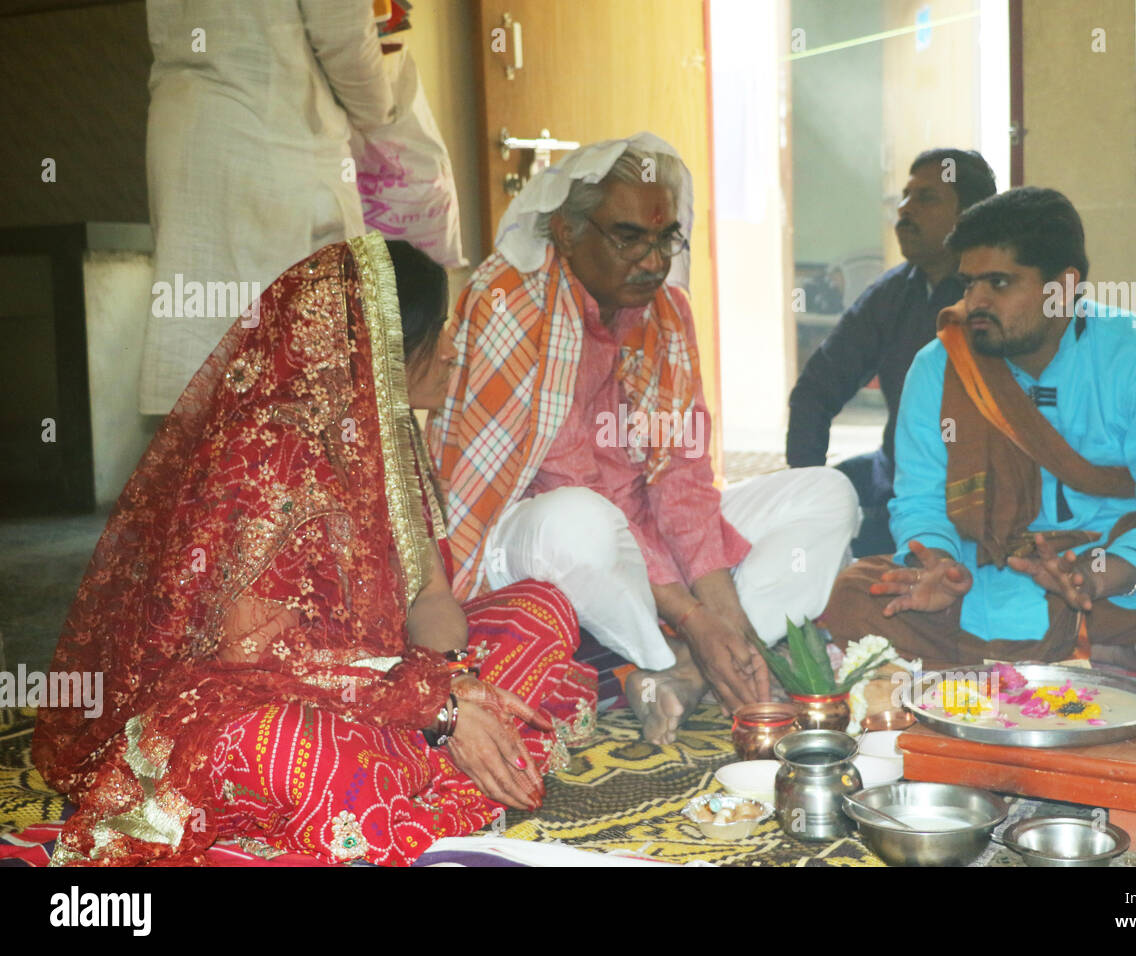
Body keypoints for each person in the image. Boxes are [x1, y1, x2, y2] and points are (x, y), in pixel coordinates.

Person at [33, 234, 596, 866]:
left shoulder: (389, 436)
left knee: (541, 608)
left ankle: (434, 759)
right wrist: (436, 709)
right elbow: (255, 656)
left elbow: (432, 593)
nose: (451, 349)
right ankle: (433, 762)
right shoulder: (267, 452)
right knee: (279, 750)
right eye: (438, 328)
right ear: (376, 339)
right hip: (254, 698)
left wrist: (458, 680)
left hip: (387, 684)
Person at [428, 132, 859, 745]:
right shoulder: (515, 303)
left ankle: (706, 666)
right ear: (567, 231)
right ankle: (661, 662)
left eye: (664, 238)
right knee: (578, 520)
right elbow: (574, 485)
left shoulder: (668, 314)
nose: (653, 260)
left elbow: (685, 482)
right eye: (628, 237)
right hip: (527, 539)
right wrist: (692, 616)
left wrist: (723, 622)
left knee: (828, 493)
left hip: (642, 540)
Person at [819, 187, 1136, 689]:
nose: (976, 302)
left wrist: (1103, 572)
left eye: (999, 282)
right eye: (969, 283)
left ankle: (1009, 660)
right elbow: (921, 500)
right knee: (854, 593)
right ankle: (1100, 655)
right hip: (984, 575)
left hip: (1109, 577)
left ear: (1063, 286)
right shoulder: (941, 366)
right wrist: (940, 566)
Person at [138, 0, 442, 414]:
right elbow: (341, 31)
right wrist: (381, 111)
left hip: (190, 121)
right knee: (288, 384)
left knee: (209, 348)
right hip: (270, 130)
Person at [786, 149, 997, 557]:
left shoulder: (996, 301)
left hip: (977, 498)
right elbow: (815, 391)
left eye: (926, 198)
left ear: (969, 216)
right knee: (815, 533)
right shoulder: (892, 294)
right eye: (905, 196)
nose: (905, 210)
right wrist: (806, 491)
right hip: (897, 485)